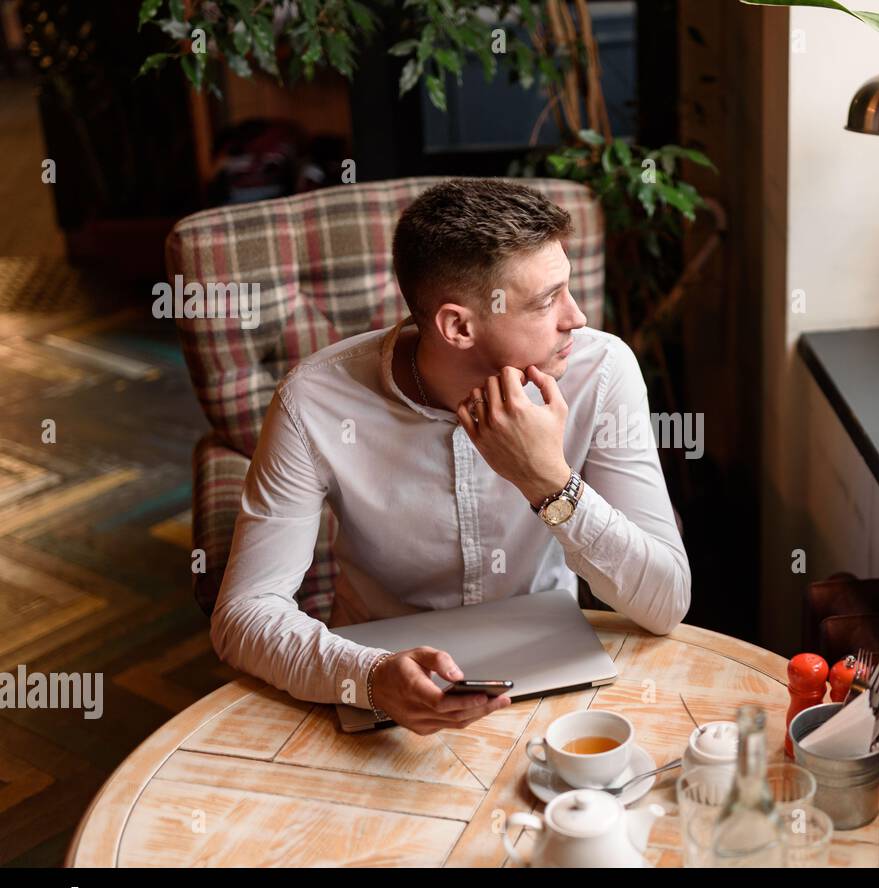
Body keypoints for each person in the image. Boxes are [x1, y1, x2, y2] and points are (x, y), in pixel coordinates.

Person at [210, 179, 691, 734]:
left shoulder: (601, 372)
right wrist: (368, 676)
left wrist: (549, 485)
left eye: (569, 289)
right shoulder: (314, 402)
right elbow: (243, 615)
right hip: (380, 693)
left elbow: (666, 602)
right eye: (546, 301)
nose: (577, 318)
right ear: (458, 325)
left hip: (557, 681)